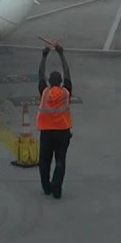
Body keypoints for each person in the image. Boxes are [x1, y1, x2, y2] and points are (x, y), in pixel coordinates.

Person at [37, 41, 73, 199]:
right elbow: (68, 73)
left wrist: (44, 56)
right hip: (62, 132)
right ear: (60, 82)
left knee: (44, 162)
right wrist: (61, 54)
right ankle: (56, 188)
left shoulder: (44, 93)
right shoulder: (66, 93)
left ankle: (46, 187)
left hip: (46, 132)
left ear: (50, 82)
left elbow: (40, 74)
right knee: (60, 161)